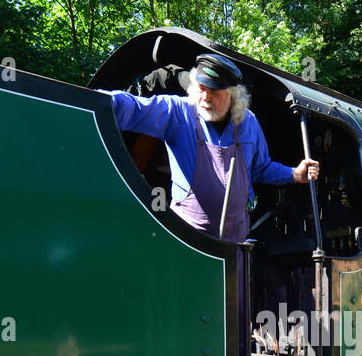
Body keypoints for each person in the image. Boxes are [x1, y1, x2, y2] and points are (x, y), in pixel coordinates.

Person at [99, 53, 318, 241]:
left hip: (235, 241)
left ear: (233, 96)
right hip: (188, 239)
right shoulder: (177, 112)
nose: (205, 98)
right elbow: (133, 108)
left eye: (215, 92)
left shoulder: (249, 122)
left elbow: (260, 168)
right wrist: (95, 101)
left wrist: (293, 174)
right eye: (201, 88)